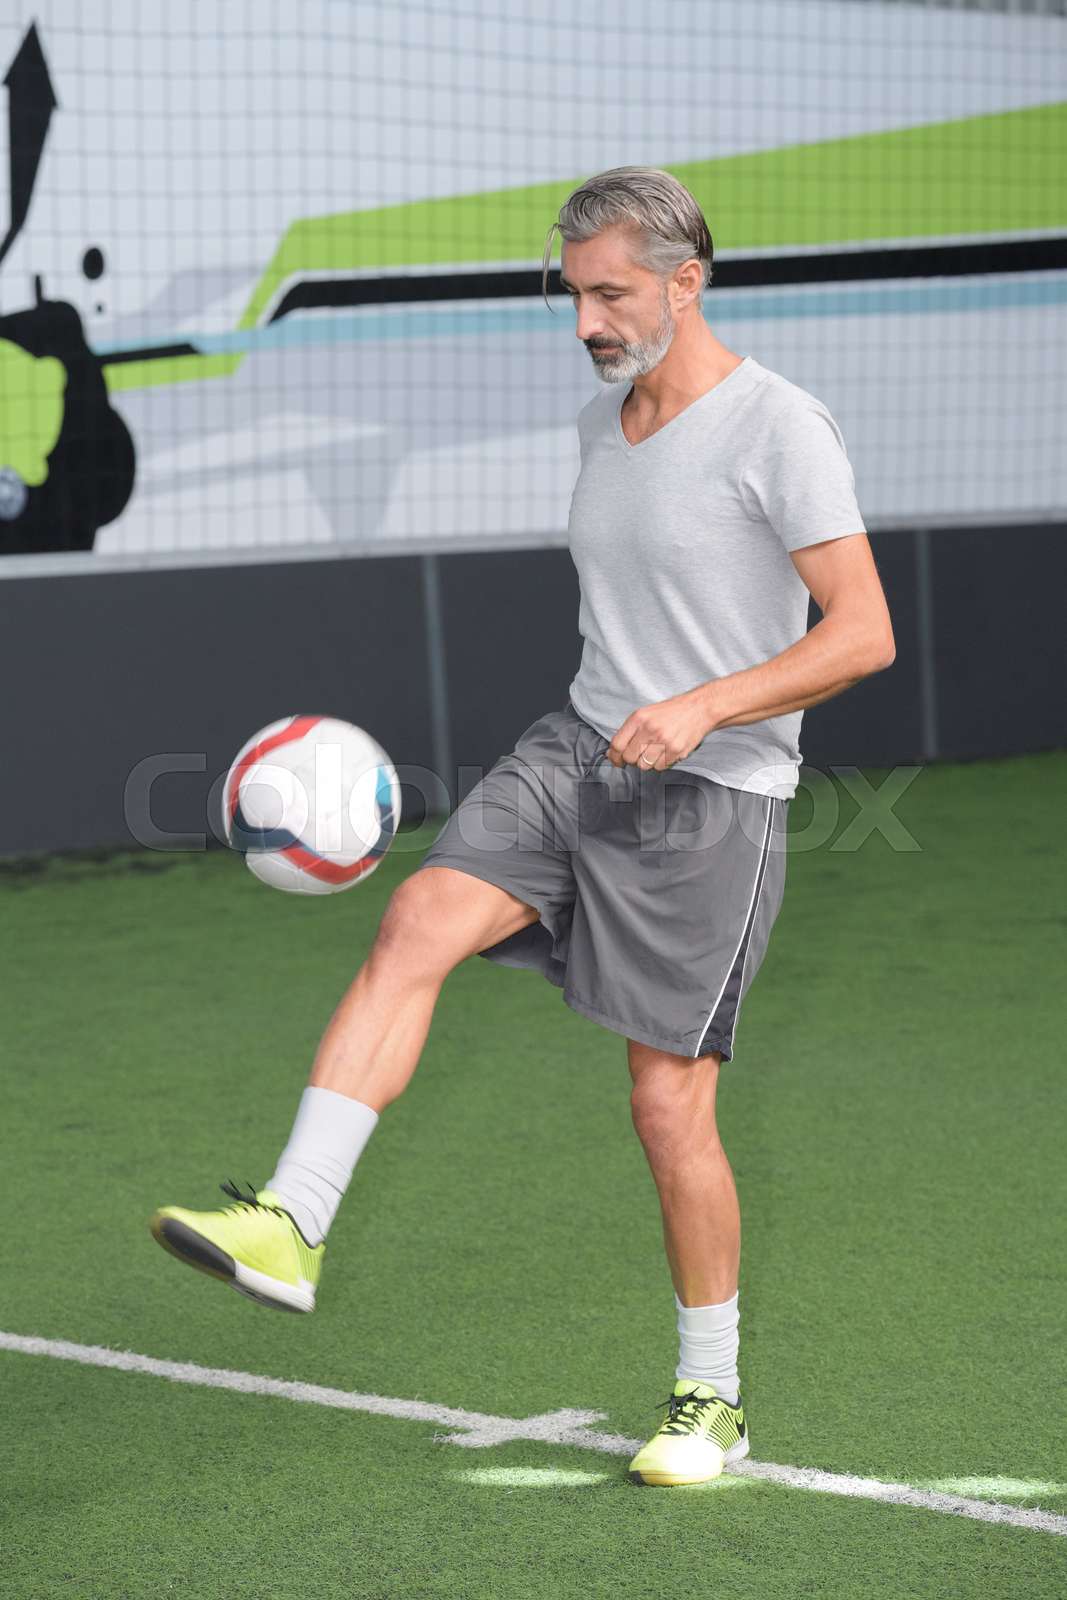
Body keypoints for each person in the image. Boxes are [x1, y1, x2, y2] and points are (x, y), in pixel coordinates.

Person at [151, 166, 895, 1488]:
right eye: (574, 294)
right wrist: (632, 713)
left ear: (686, 279)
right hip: (578, 749)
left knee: (667, 1107)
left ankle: (711, 1396)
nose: (586, 321)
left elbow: (864, 633)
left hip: (713, 800)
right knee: (418, 917)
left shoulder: (782, 427)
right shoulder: (600, 428)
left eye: (610, 292)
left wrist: (706, 707)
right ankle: (293, 1219)